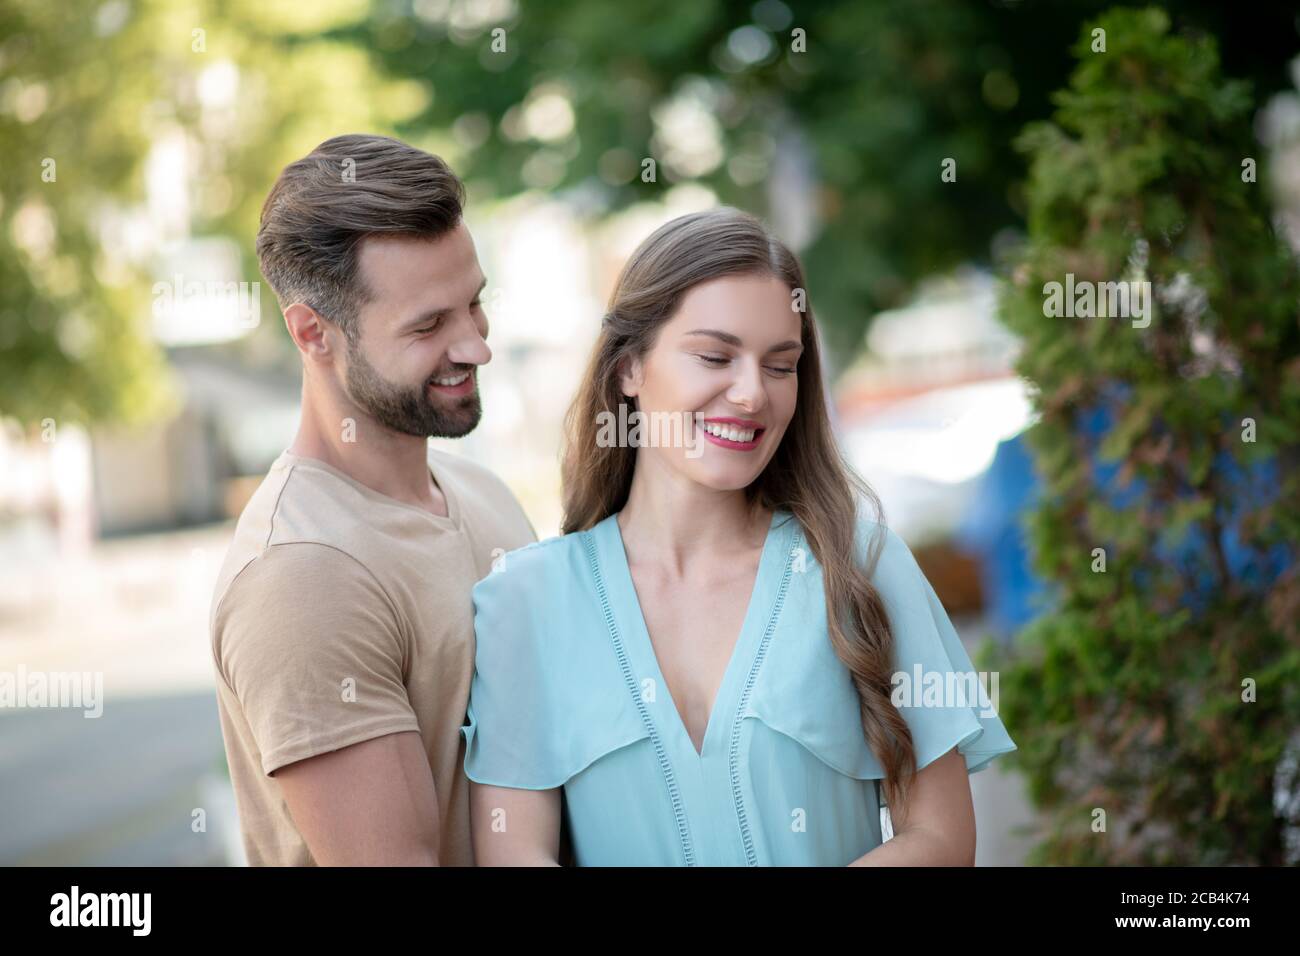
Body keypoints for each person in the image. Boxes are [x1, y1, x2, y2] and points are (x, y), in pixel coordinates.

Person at [463, 206, 1016, 865]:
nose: (753, 394)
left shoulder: (862, 565)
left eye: (780, 366)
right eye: (714, 356)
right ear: (628, 369)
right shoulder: (528, 600)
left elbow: (941, 839)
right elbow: (512, 854)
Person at [209, 134, 534, 866]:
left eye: (473, 304)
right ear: (312, 334)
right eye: (427, 325)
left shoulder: (478, 492)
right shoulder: (301, 576)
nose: (476, 346)